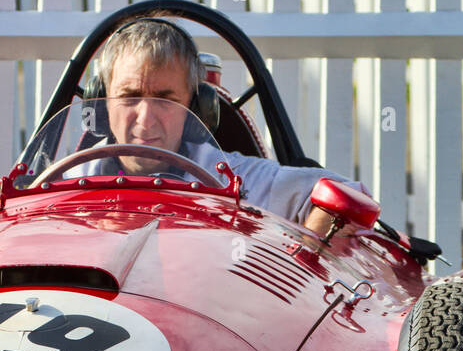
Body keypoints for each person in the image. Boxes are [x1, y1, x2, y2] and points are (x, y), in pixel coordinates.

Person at [86, 16, 372, 229]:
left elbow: (348, 196)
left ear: (196, 107)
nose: (146, 119)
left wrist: (305, 257)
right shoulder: (65, 179)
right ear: (102, 101)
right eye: (130, 96)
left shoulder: (239, 180)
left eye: (165, 99)